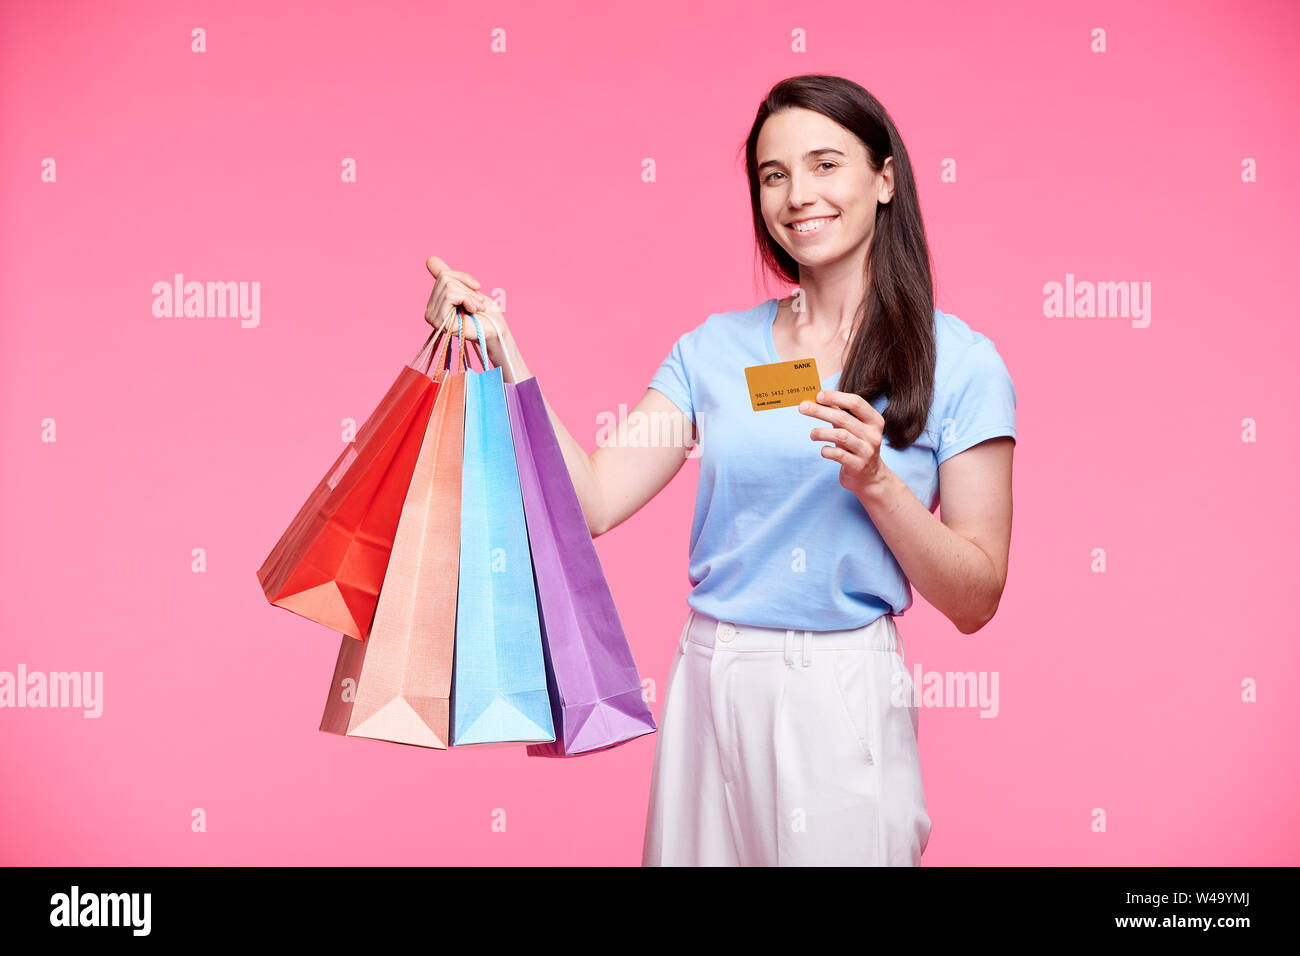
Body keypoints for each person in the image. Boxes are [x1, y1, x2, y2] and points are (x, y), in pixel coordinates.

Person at [423, 73, 1016, 866]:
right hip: (709, 673)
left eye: (824, 164)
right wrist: (501, 348)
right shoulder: (714, 351)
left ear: (884, 178)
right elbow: (593, 500)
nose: (798, 194)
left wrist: (877, 481)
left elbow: (976, 597)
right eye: (774, 176)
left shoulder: (963, 364)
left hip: (838, 683)